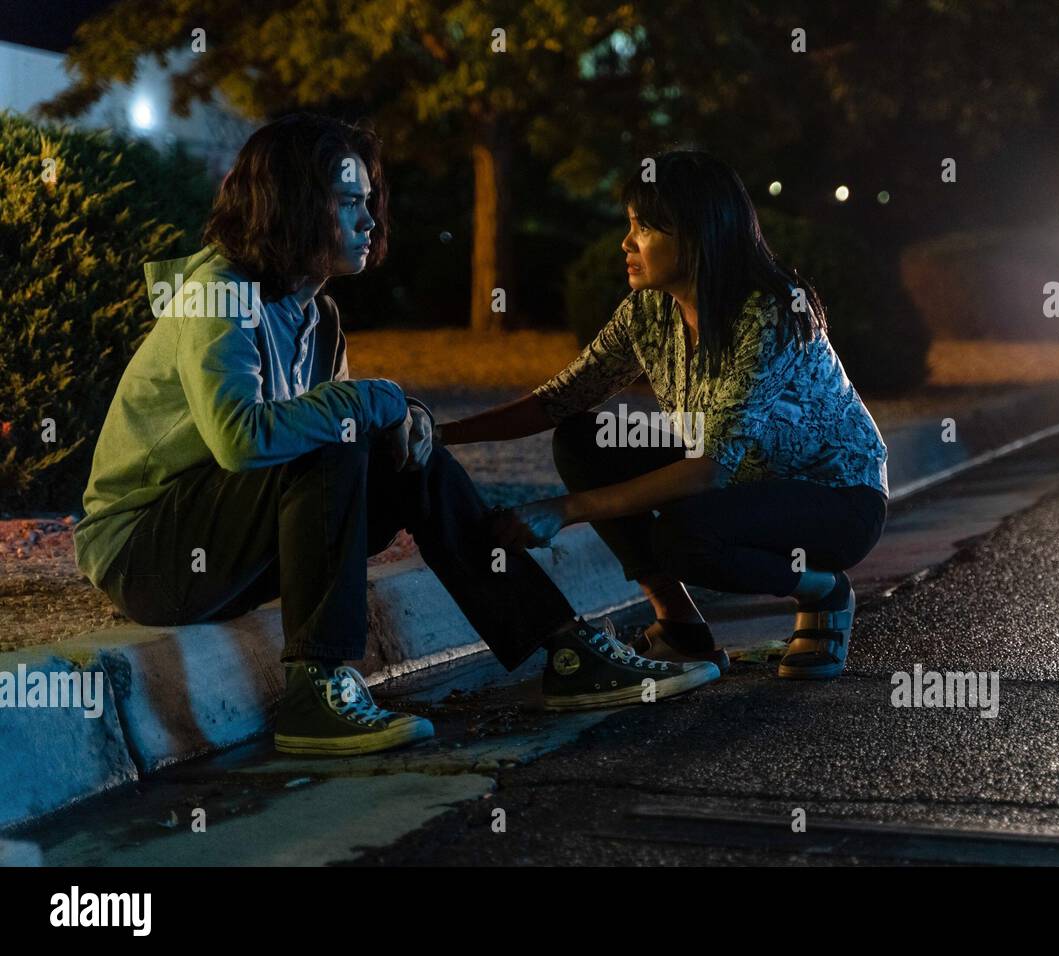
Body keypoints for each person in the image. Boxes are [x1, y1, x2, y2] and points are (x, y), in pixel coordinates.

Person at [74, 116, 720, 758]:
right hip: (149, 553)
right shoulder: (216, 295)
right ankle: (315, 690)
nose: (372, 222)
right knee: (343, 429)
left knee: (400, 447)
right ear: (294, 206)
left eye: (371, 203)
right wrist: (369, 402)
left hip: (231, 542)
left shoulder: (316, 313)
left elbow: (338, 437)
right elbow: (240, 439)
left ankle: (566, 650)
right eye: (350, 204)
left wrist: (404, 417)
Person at [438, 149, 889, 681]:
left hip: (834, 498)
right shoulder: (649, 310)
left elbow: (710, 469)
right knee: (584, 439)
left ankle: (825, 590)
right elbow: (558, 399)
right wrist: (438, 434)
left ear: (698, 236)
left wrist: (564, 509)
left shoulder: (769, 310)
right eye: (629, 226)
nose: (626, 243)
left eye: (645, 228)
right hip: (735, 474)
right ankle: (680, 627)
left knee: (683, 539)